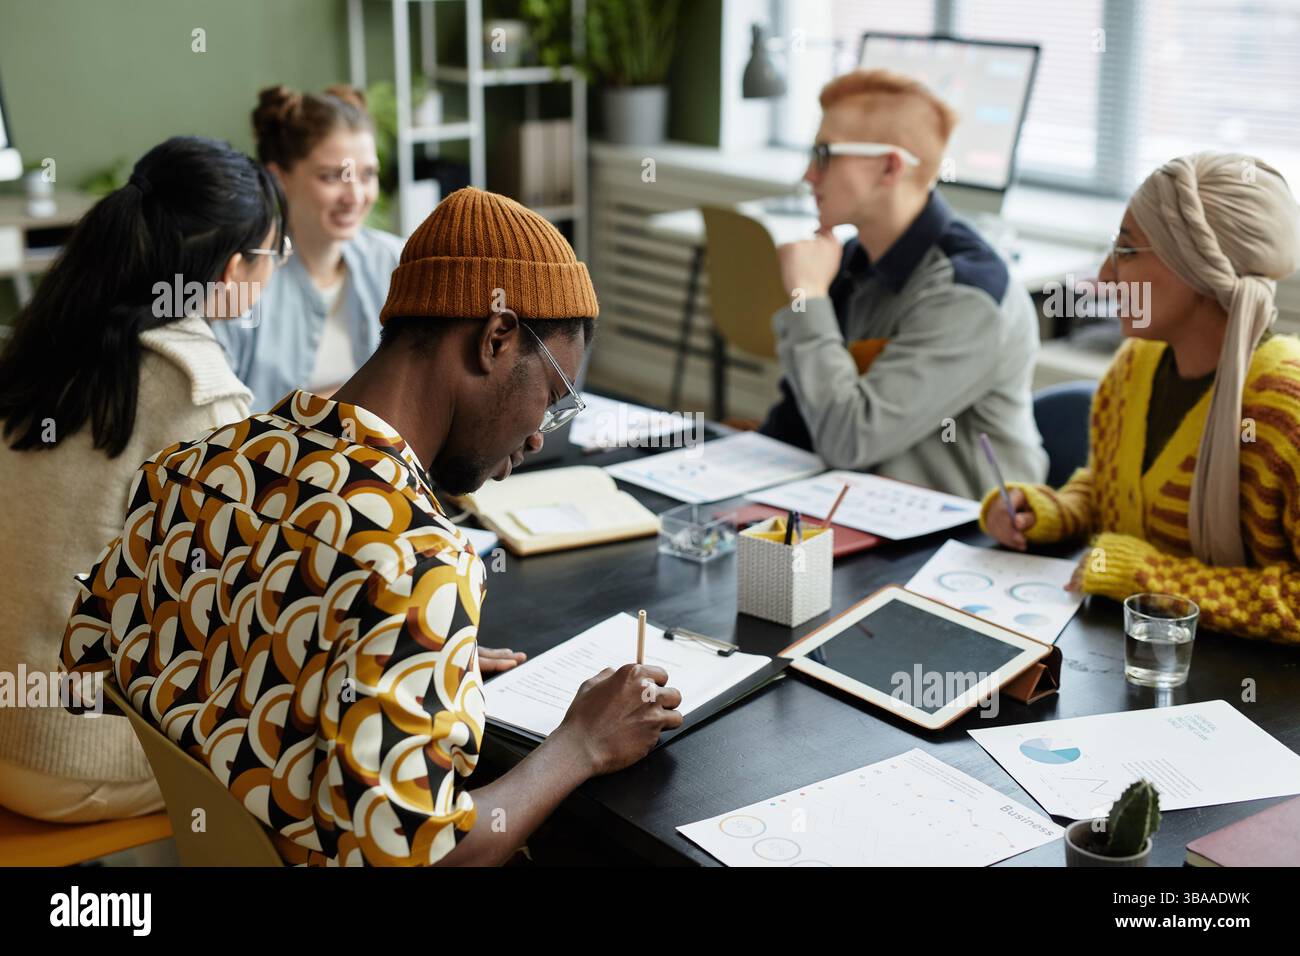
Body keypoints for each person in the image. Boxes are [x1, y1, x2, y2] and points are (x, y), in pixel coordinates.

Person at [60, 188, 682, 865]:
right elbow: (424, 859)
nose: (539, 434)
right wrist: (580, 746)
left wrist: (375, 665)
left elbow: (92, 660)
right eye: (554, 397)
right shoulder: (416, 562)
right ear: (496, 339)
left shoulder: (194, 467)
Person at [0, 136, 285, 821]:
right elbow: (240, 594)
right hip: (67, 759)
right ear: (232, 269)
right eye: (274, 256)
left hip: (10, 726)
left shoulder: (47, 344)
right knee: (306, 727)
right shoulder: (196, 391)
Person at [984, 152, 1300, 645]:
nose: (1106, 275)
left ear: (1197, 265)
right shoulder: (1135, 366)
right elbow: (1114, 492)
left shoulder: (1285, 408)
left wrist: (1149, 578)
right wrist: (1050, 511)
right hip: (1130, 667)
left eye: (1127, 251)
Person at [760, 69, 1047, 498]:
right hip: (862, 509)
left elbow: (849, 440)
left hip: (967, 539)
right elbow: (802, 416)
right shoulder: (855, 258)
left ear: (889, 167)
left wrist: (808, 297)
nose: (808, 175)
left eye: (824, 154)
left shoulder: (965, 295)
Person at [213, 84, 404, 409]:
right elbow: (216, 424)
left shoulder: (396, 261)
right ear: (279, 178)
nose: (355, 197)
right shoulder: (239, 281)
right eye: (332, 177)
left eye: (368, 174)